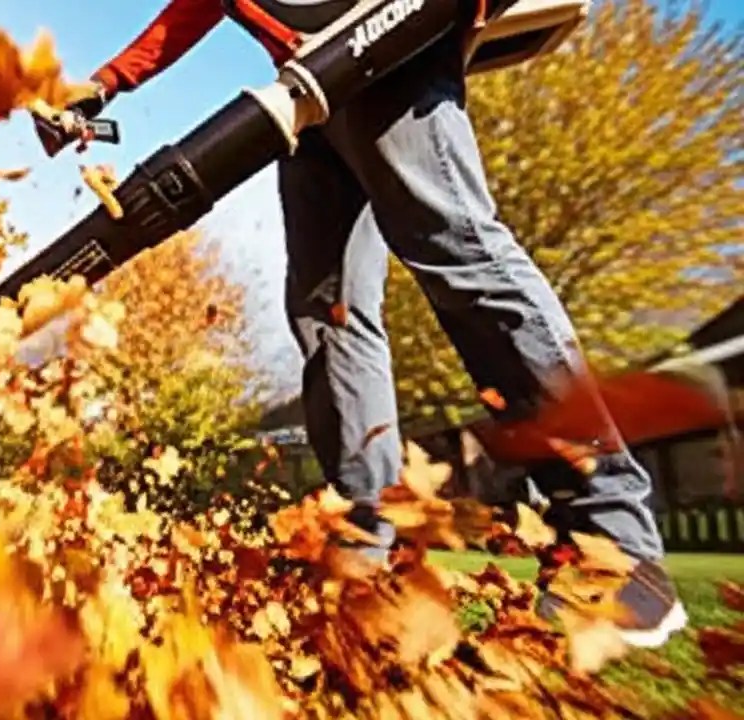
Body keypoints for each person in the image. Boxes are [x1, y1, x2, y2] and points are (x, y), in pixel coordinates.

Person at [61, 0, 686, 647]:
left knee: (465, 258)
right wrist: (107, 81)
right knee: (328, 310)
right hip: (311, 90)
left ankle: (617, 547)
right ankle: (362, 548)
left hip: (388, 44)